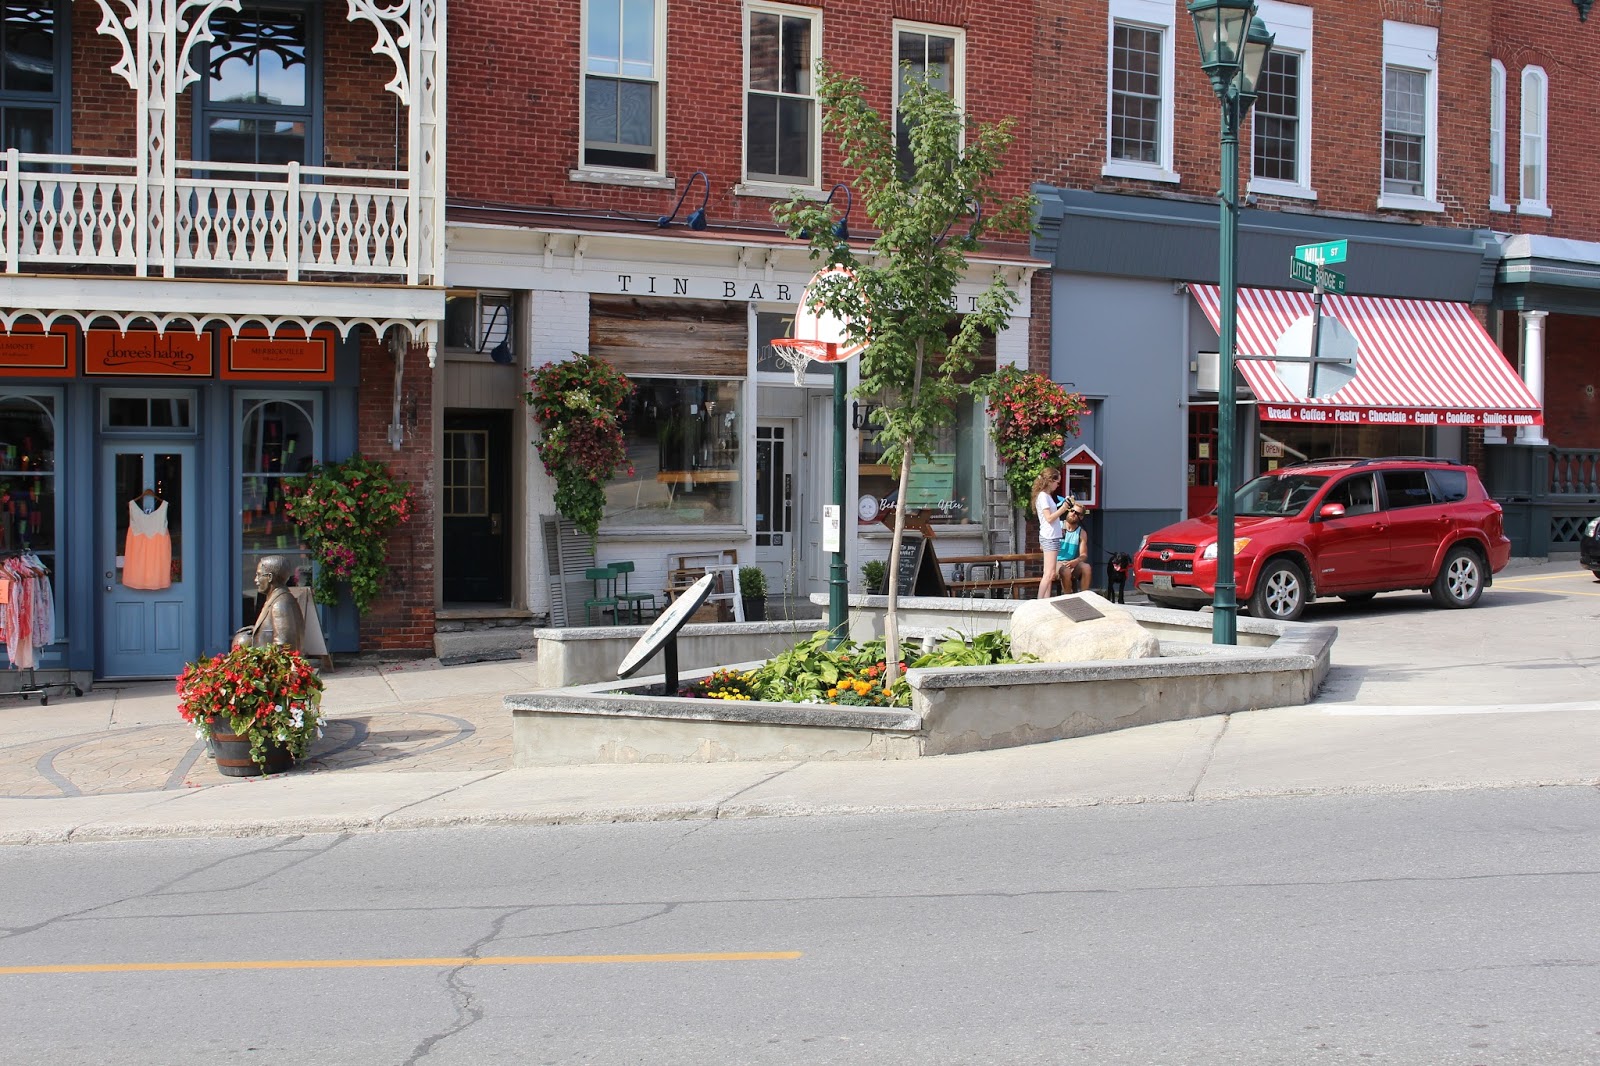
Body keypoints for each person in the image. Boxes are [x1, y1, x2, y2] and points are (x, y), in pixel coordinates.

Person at [232, 555, 305, 652]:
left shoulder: (280, 604)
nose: (255, 580)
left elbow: (284, 646)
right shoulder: (276, 599)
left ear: (270, 577)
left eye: (259, 575)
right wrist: (257, 631)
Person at [1032, 469, 1074, 599]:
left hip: (1052, 535)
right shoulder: (1043, 496)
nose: (1058, 485)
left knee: (1048, 573)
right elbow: (1049, 518)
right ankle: (1039, 601)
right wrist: (1063, 509)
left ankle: (1046, 601)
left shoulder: (1047, 496)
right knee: (1049, 574)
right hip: (1049, 537)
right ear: (1050, 481)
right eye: (1057, 482)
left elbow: (1050, 519)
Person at [1057, 504, 1091, 595]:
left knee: (1086, 567)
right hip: (1056, 562)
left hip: (1071, 562)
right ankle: (1068, 598)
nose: (1073, 514)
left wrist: (1076, 561)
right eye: (1072, 511)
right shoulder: (1057, 525)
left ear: (1081, 517)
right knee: (1065, 570)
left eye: (1077, 513)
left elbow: (1084, 555)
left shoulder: (1081, 533)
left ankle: (1085, 597)